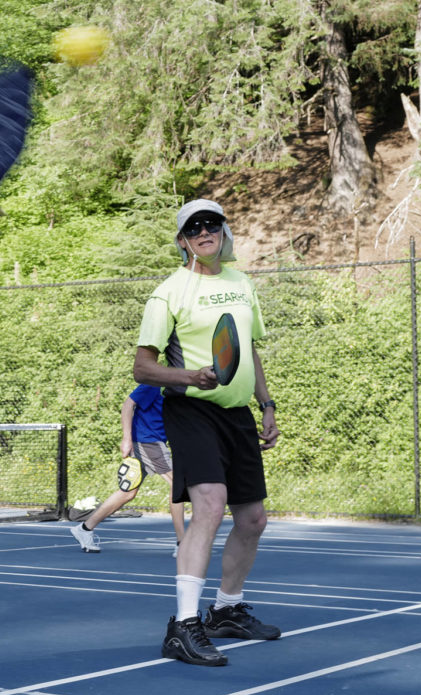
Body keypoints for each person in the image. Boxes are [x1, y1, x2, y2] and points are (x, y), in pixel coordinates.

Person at [133, 199, 281, 668]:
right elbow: (143, 366)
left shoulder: (242, 284)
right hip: (191, 410)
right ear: (183, 242)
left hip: (237, 414)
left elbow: (248, 350)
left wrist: (267, 403)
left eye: (210, 224)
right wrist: (189, 376)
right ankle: (183, 626)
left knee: (253, 519)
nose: (203, 231)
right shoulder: (169, 292)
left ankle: (225, 610)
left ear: (223, 232)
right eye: (192, 228)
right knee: (211, 505)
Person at [68, 384, 186, 553]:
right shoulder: (153, 383)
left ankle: (85, 528)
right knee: (178, 484)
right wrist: (126, 439)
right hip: (147, 441)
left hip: (153, 441)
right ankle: (182, 543)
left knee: (128, 492)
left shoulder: (179, 387)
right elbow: (128, 405)